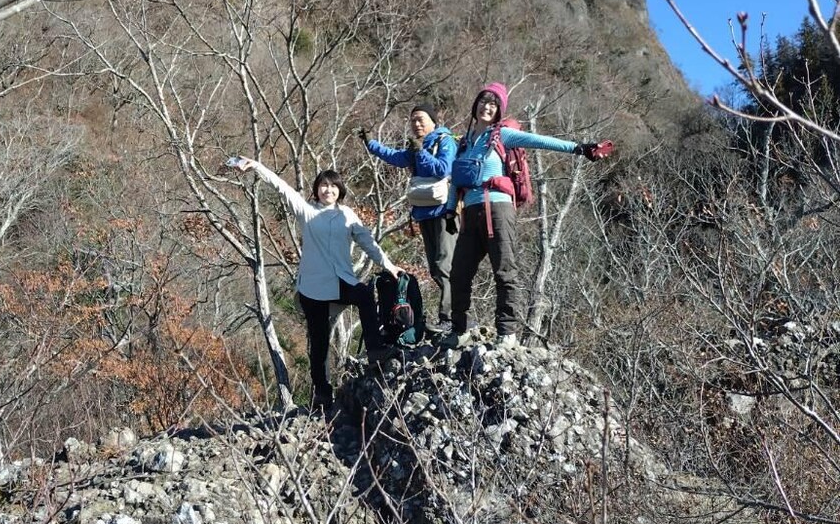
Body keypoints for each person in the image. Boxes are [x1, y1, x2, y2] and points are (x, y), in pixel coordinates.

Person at [441, 82, 612, 349]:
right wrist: (450, 209)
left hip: (497, 208)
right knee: (459, 273)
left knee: (505, 269)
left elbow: (540, 141)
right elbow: (455, 180)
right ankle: (459, 329)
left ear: (499, 111)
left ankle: (507, 332)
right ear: (474, 105)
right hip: (470, 213)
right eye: (484, 101)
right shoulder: (464, 143)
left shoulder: (502, 135)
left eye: (494, 104)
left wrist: (579, 148)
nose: (487, 106)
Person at [231, 157, 401, 414]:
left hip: (342, 278)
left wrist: (388, 265)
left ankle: (375, 348)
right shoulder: (306, 210)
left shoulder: (348, 215)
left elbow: (368, 242)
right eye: (323, 185)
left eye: (333, 186)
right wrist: (257, 166)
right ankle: (322, 393)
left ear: (339, 191)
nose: (328, 190)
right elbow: (281, 187)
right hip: (313, 286)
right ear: (316, 189)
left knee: (365, 296)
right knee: (319, 342)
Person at [359, 103, 458, 327]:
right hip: (425, 212)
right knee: (434, 267)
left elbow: (443, 169)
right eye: (413, 120)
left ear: (434, 121)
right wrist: (370, 144)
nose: (416, 123)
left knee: (444, 264)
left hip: (445, 211)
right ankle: (449, 316)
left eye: (421, 119)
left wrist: (420, 152)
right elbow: (395, 157)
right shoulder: (417, 146)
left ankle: (450, 317)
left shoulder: (445, 141)